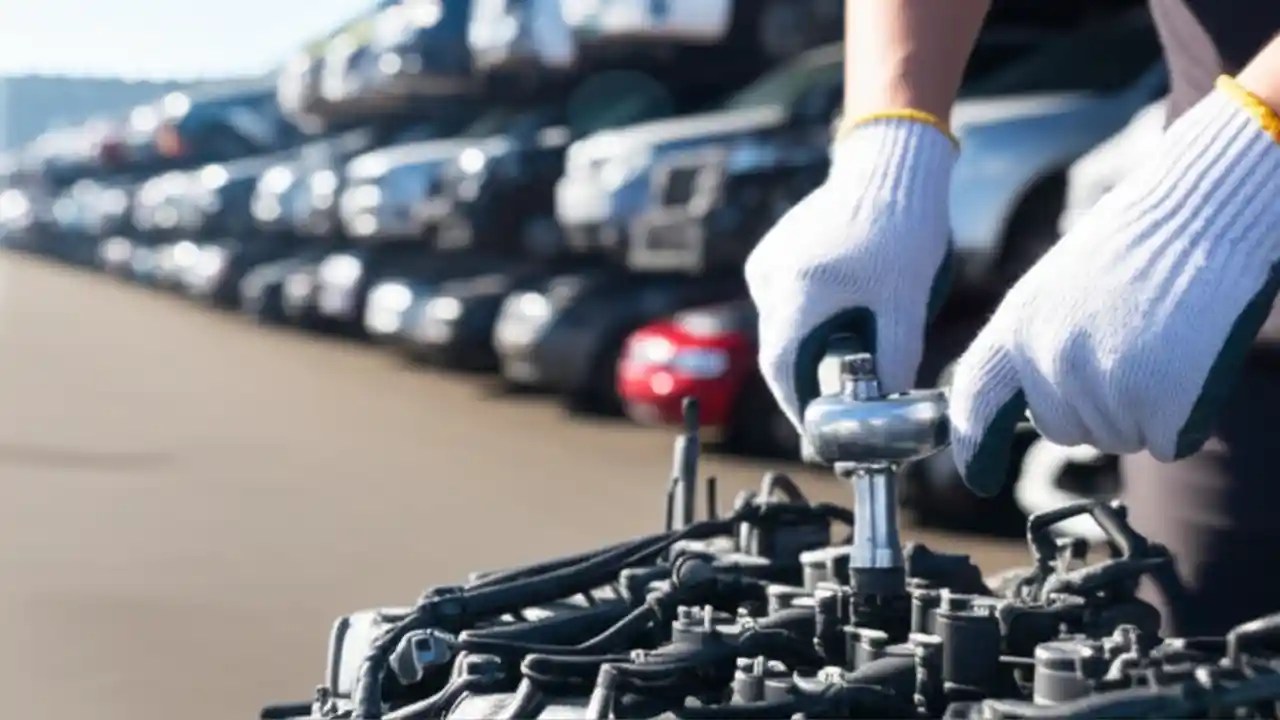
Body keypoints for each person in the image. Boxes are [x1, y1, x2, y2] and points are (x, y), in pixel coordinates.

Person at [745, 0, 1280, 637]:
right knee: (1195, 658)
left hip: (1215, 232)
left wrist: (1221, 188)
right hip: (1212, 346)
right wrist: (888, 143)